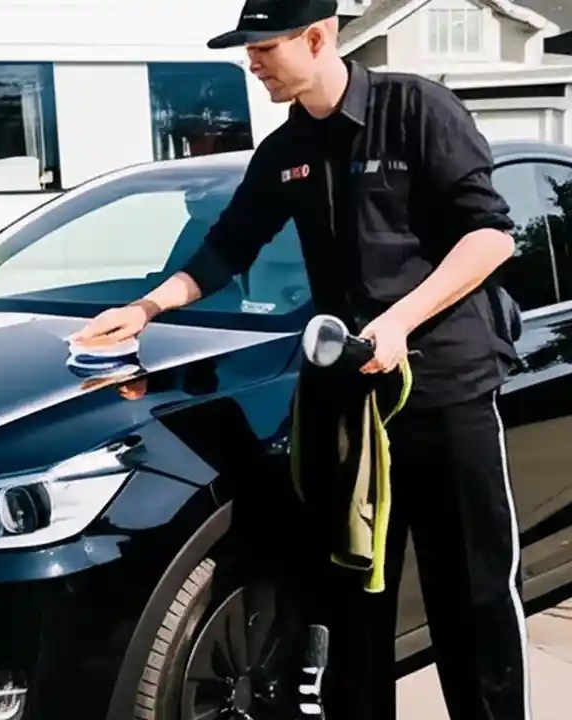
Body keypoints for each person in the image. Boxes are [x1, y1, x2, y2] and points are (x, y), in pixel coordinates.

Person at [69, 1, 532, 719]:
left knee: (470, 600)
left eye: (262, 46)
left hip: (446, 395)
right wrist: (145, 309)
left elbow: (491, 239)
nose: (250, 62)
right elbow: (227, 247)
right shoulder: (287, 150)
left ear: (317, 38)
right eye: (246, 48)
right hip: (351, 407)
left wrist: (400, 322)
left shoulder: (418, 110)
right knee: (355, 604)